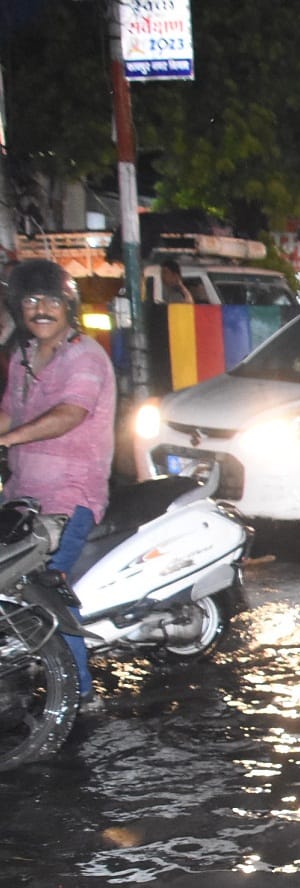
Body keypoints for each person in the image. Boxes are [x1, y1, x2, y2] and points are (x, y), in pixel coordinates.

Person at [0, 259, 117, 704]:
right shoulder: (23, 356)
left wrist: (8, 437)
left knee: (47, 585)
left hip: (70, 496)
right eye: (30, 300)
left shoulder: (85, 355)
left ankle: (80, 695)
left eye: (51, 299)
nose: (41, 309)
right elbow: (11, 411)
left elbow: (72, 413)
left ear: (69, 304)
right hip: (23, 494)